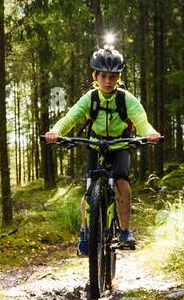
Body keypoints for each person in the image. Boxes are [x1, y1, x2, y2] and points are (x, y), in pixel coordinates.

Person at [45, 45, 161, 253]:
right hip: (95, 144)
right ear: (95, 76)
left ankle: (125, 231)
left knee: (121, 181)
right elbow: (70, 118)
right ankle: (85, 233)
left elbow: (142, 122)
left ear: (119, 77)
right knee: (90, 189)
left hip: (120, 144)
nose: (108, 81)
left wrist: (150, 134)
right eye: (104, 76)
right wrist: (55, 131)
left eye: (112, 77)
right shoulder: (90, 98)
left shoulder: (127, 99)